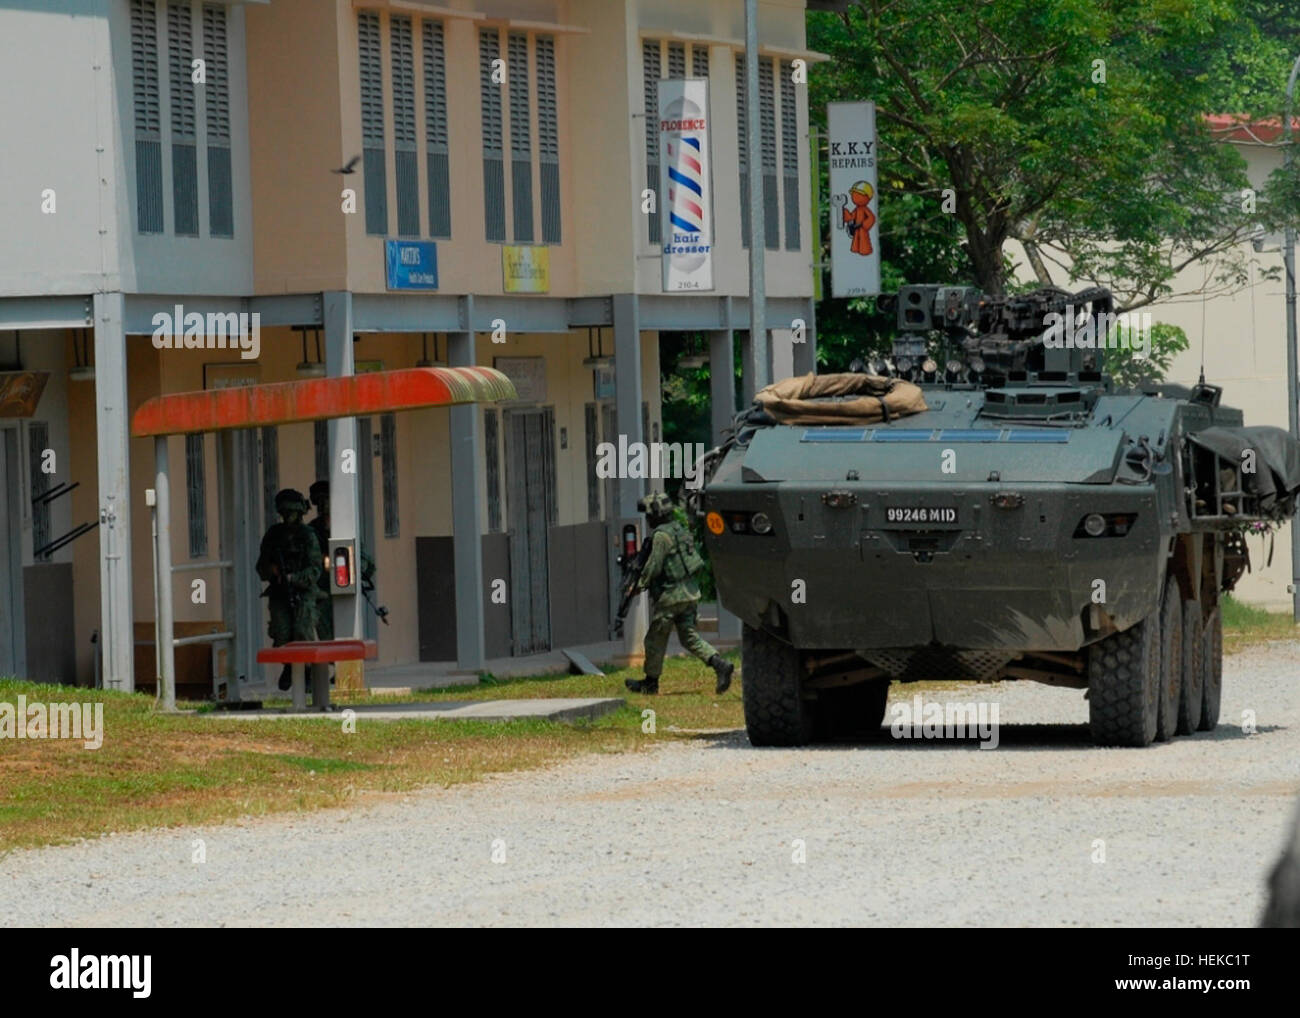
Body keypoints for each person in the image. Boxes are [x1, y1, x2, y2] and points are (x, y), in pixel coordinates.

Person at [624, 491, 734, 696]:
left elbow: (654, 566)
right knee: (689, 637)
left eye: (649, 515)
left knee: (655, 638)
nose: (647, 519)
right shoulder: (679, 529)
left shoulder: (661, 536)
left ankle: (650, 683)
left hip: (671, 596)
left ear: (656, 515)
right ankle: (720, 664)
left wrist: (638, 585)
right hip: (690, 592)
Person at [255, 488, 325, 690]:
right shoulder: (274, 535)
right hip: (279, 591)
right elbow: (261, 566)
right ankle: (289, 667)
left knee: (303, 631)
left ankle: (307, 672)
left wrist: (295, 578)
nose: (287, 518)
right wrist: (273, 571)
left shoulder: (308, 536)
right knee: (282, 633)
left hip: (303, 591)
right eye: (284, 513)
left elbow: (315, 569)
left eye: (291, 513)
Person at [307, 479, 377, 640]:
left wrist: (351, 567)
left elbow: (363, 560)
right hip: (321, 590)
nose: (324, 507)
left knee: (346, 636)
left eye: (326, 501)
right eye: (320, 502)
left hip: (343, 589)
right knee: (327, 637)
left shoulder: (346, 525)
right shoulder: (312, 529)